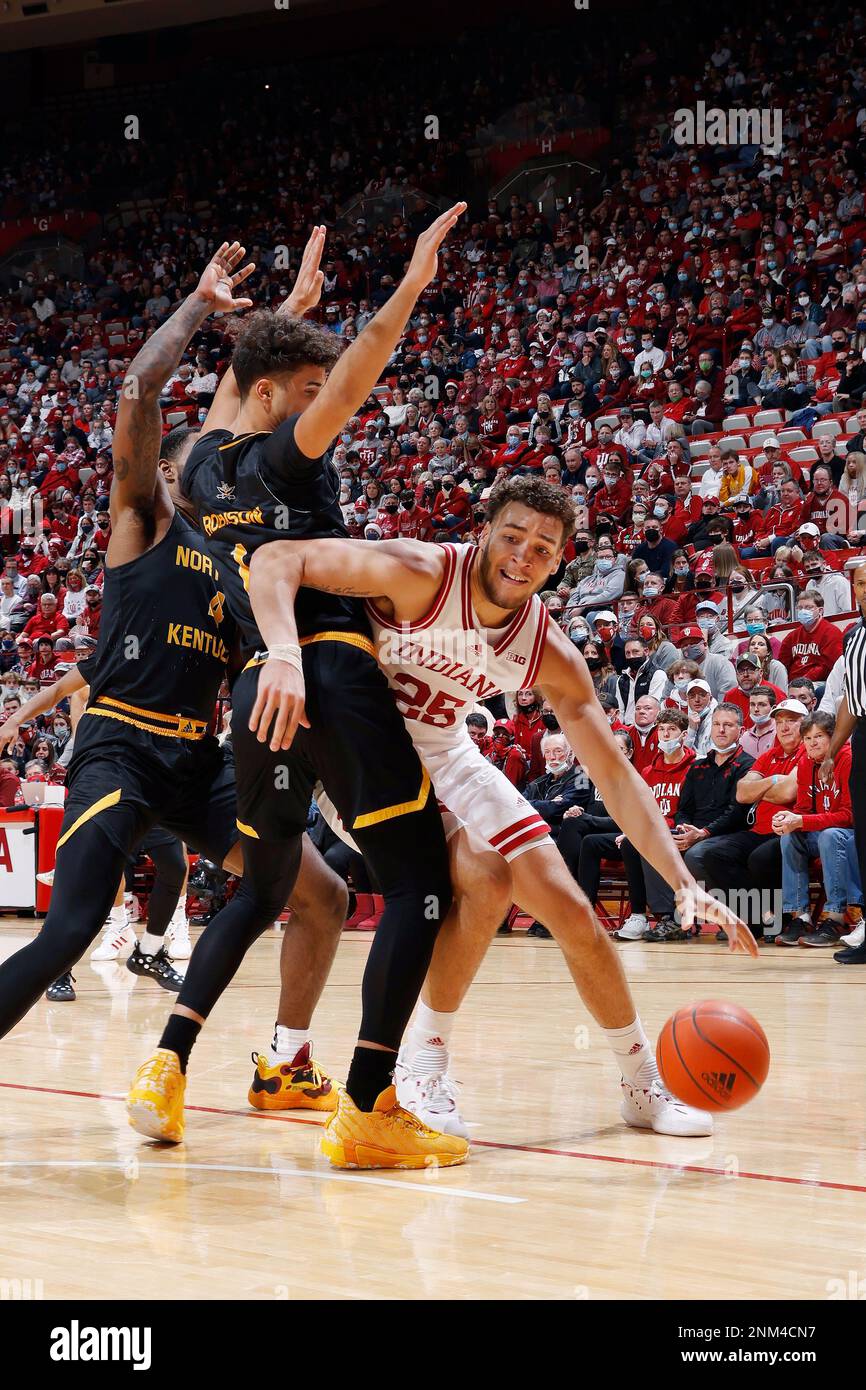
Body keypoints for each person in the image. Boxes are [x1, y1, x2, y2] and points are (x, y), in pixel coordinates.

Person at [253, 475, 756, 1142]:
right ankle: (422, 1065)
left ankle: (641, 1083)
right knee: (487, 878)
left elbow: (611, 770)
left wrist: (684, 882)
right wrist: (283, 657)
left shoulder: (547, 647)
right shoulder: (420, 572)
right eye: (513, 536)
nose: (523, 556)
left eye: (543, 548)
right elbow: (277, 559)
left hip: (449, 750)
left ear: (560, 560)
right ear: (484, 529)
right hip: (367, 759)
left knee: (573, 911)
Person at [135, 212, 467, 1171]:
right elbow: (359, 365)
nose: (325, 404)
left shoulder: (198, 470)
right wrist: (408, 287)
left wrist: (280, 320)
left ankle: (169, 1062)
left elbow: (238, 391)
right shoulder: (288, 454)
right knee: (418, 884)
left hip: (254, 698)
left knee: (266, 886)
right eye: (308, 394)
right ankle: (368, 1106)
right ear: (282, 398)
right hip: (325, 668)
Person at [0, 245, 347, 1082]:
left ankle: (285, 1064)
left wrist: (280, 327)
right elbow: (140, 391)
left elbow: (246, 393)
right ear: (176, 468)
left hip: (199, 761)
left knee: (323, 896)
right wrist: (198, 305)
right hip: (121, 749)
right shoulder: (144, 520)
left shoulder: (243, 554)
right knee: (71, 930)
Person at [696, 699, 808, 939]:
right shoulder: (769, 756)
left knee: (760, 858)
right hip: (758, 830)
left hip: (789, 831)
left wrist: (761, 787)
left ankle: (776, 917)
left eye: (791, 721)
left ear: (805, 724)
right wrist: (775, 780)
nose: (784, 727)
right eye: (779, 722)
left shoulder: (806, 754)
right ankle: (762, 916)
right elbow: (742, 793)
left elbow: (789, 793)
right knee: (713, 854)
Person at [773, 712, 861, 947]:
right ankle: (800, 916)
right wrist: (787, 819)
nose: (812, 743)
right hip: (822, 834)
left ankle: (835, 918)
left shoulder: (848, 759)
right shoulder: (805, 763)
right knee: (789, 836)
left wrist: (802, 821)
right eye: (808, 738)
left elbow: (850, 816)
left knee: (830, 836)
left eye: (819, 736)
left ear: (833, 738)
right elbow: (802, 808)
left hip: (849, 837)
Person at [820, 559, 866, 964]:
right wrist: (832, 753)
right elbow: (851, 700)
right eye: (862, 584)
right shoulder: (853, 638)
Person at [617, 709, 696, 941]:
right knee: (631, 844)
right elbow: (642, 809)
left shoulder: (695, 767)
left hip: (679, 829)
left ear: (683, 735)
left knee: (651, 842)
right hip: (654, 829)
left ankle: (669, 918)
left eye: (671, 730)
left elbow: (692, 809)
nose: (665, 735)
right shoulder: (648, 771)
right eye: (661, 730)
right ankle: (639, 915)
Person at [777, 591, 844, 685]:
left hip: (819, 683)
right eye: (800, 608)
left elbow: (834, 666)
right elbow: (782, 665)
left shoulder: (831, 633)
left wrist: (803, 682)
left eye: (808, 607)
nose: (803, 611)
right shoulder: (792, 636)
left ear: (820, 610)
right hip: (792, 684)